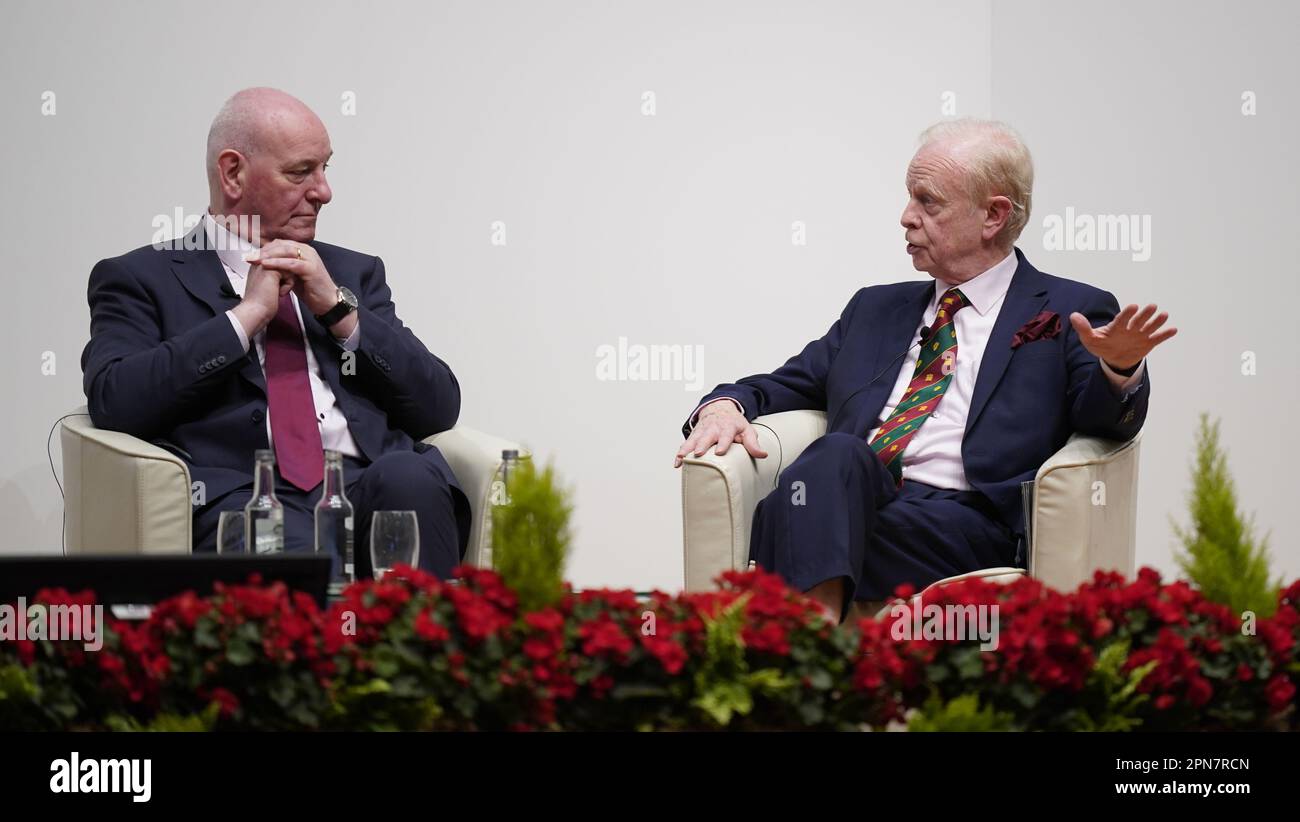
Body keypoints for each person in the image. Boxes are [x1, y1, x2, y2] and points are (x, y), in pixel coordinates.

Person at [674, 119, 1176, 621]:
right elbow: (782, 383)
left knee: (789, 518)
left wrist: (1120, 367)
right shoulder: (873, 310)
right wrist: (723, 405)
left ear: (993, 216)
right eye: (909, 198)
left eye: (927, 201)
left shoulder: (1070, 309)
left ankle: (805, 651)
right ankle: (819, 642)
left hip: (965, 522)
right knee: (837, 455)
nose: (905, 217)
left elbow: (1105, 422)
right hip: (855, 496)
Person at [81, 88, 469, 578]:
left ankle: (423, 653)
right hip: (246, 493)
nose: (324, 191)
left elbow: (439, 405)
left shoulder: (352, 272)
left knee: (411, 478)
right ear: (233, 173)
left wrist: (340, 310)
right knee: (277, 530)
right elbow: (116, 400)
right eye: (301, 172)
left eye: (326, 168)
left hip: (367, 479)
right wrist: (246, 318)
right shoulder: (142, 278)